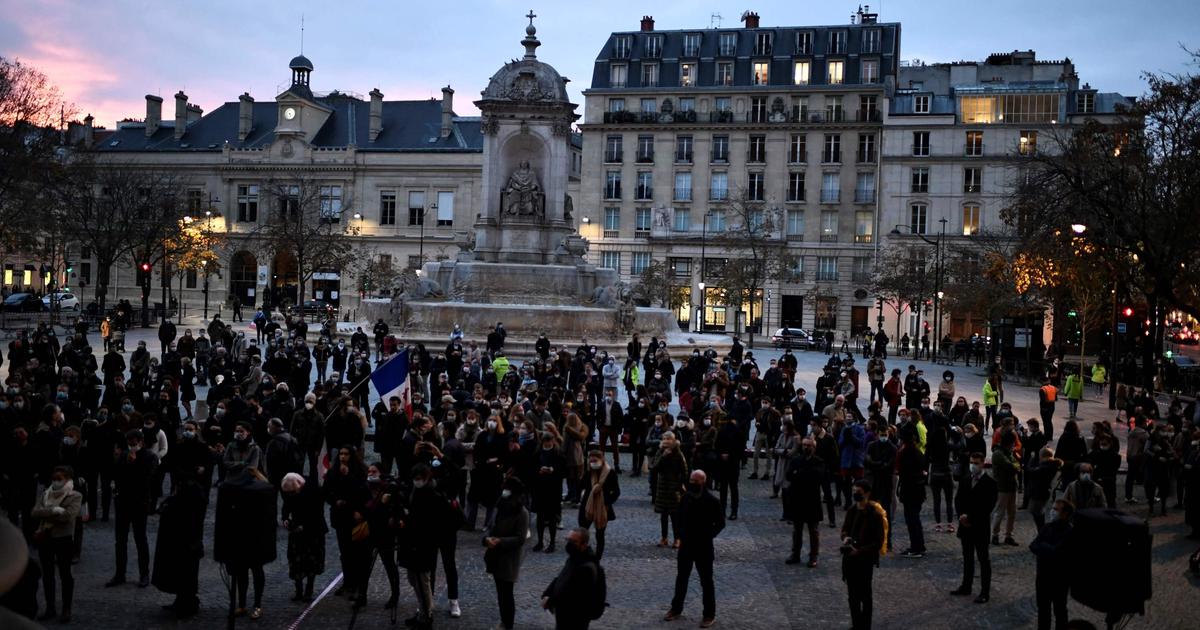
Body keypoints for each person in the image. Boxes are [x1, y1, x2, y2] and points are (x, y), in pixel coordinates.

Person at [214, 465, 277, 621]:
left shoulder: (245, 490)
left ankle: (255, 605)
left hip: (252, 540)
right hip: (247, 540)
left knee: (252, 572)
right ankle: (245, 604)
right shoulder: (258, 490)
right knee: (245, 573)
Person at [664, 470, 723, 628]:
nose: (692, 483)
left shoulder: (712, 501)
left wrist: (708, 535)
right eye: (691, 480)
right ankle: (676, 608)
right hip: (687, 545)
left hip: (704, 547)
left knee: (706, 581)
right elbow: (678, 516)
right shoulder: (686, 498)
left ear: (703, 482)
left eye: (695, 481)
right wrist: (680, 533)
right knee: (682, 578)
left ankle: (709, 614)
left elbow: (720, 523)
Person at [107, 430, 158, 588]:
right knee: (120, 540)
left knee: (140, 539)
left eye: (134, 443)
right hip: (123, 502)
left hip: (139, 503)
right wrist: (123, 462)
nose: (132, 446)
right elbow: (116, 474)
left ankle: (144, 574)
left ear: (141, 442)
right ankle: (119, 574)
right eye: (129, 443)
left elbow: (147, 478)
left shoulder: (150, 457)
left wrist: (134, 464)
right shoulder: (124, 455)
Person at [151, 475, 207, 618]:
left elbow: (187, 513)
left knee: (186, 571)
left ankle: (188, 603)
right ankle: (182, 600)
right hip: (183, 537)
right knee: (181, 570)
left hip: (187, 537)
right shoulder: (190, 488)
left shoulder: (193, 490)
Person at [31, 465, 82, 622]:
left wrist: (46, 513)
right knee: (47, 575)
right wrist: (54, 511)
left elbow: (67, 516)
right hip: (45, 538)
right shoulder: (46, 493)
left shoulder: (75, 495)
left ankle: (66, 609)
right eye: (54, 478)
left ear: (67, 480)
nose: (55, 481)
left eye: (59, 479)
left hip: (63, 539)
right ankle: (50, 608)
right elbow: (34, 513)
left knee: (65, 575)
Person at [951, 451, 998, 603]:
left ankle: (985, 592)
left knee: (983, 559)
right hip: (965, 526)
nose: (973, 465)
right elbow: (958, 499)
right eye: (971, 462)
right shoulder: (965, 479)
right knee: (967, 558)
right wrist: (961, 515)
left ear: (983, 463)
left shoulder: (990, 483)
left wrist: (969, 517)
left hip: (980, 527)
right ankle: (966, 586)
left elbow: (987, 507)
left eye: (976, 463)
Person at [840, 479, 887, 630]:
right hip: (850, 560)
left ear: (867, 493)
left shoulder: (874, 515)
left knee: (865, 596)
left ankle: (865, 626)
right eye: (854, 491)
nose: (855, 494)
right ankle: (856, 625)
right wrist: (845, 538)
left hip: (865, 560)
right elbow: (845, 529)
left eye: (858, 492)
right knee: (852, 596)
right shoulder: (852, 510)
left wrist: (859, 551)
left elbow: (878, 542)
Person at [484, 476, 530, 630]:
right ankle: (504, 621)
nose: (503, 491)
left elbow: (520, 538)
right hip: (495, 555)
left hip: (509, 558)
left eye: (506, 488)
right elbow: (491, 526)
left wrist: (500, 541)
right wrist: (487, 539)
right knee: (501, 592)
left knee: (506, 593)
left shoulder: (522, 512)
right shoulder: (500, 506)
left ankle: (507, 624)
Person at [542, 527, 603, 630]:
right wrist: (547, 593)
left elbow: (572, 595)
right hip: (564, 615)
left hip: (575, 618)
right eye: (568, 540)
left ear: (584, 544)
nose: (569, 544)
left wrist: (550, 601)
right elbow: (562, 578)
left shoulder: (586, 568)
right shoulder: (575, 556)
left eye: (573, 541)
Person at [280, 472, 326, 603]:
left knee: (312, 560)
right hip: (297, 530)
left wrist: (304, 526)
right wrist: (285, 518)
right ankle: (299, 590)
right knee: (296, 561)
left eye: (293, 492)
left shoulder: (314, 490)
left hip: (314, 530)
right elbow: (286, 505)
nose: (291, 495)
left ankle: (309, 590)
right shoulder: (290, 490)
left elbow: (318, 512)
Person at [1031, 500, 1075, 630]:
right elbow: (1033, 545)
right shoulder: (1047, 527)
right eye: (1053, 508)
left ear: (1065, 514)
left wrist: (1043, 547)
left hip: (1059, 579)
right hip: (1042, 576)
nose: (1052, 511)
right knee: (1043, 610)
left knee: (1060, 610)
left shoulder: (1070, 532)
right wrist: (1048, 549)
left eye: (1056, 509)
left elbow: (1057, 552)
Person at [785, 437, 825, 567]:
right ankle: (795, 554)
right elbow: (789, 475)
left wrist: (799, 474)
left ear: (814, 447)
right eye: (804, 445)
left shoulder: (819, 461)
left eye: (809, 445)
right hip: (798, 499)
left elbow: (818, 477)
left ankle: (813, 556)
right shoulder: (796, 460)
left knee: (813, 530)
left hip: (812, 500)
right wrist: (803, 474)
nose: (806, 447)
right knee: (797, 530)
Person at [578, 449, 620, 561]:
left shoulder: (610, 473)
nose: (593, 463)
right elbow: (580, 486)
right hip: (587, 506)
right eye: (591, 461)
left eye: (595, 461)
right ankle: (581, 555)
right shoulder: (589, 472)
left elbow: (616, 492)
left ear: (602, 460)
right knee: (582, 532)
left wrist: (607, 502)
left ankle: (597, 558)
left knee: (600, 534)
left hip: (602, 507)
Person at [651, 431, 688, 548]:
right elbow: (654, 467)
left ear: (673, 440)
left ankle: (677, 538)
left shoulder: (678, 453)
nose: (666, 441)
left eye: (668, 439)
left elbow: (684, 470)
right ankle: (664, 538)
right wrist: (663, 456)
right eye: (664, 439)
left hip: (674, 487)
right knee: (664, 515)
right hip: (662, 487)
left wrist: (679, 484)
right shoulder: (660, 451)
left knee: (675, 515)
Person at [895, 426, 927, 557]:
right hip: (917, 489)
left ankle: (916, 547)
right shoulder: (916, 451)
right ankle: (919, 545)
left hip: (910, 490)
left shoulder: (906, 452)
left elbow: (903, 471)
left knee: (912, 520)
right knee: (914, 519)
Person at [532, 432, 567, 552]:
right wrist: (539, 469)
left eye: (549, 442)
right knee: (540, 517)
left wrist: (553, 470)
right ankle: (540, 541)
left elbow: (564, 469)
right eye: (545, 442)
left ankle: (552, 543)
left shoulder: (558, 453)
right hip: (540, 488)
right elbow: (532, 466)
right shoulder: (537, 452)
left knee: (552, 517)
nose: (547, 444)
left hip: (553, 489)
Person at [990, 431, 1022, 546]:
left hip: (1012, 486)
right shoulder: (998, 454)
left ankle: (1009, 535)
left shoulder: (1008, 453)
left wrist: (1016, 466)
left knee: (1012, 513)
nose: (1014, 445)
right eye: (1013, 443)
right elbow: (1011, 466)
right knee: (999, 512)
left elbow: (1017, 466)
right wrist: (1015, 466)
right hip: (1002, 487)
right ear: (1009, 443)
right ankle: (995, 535)